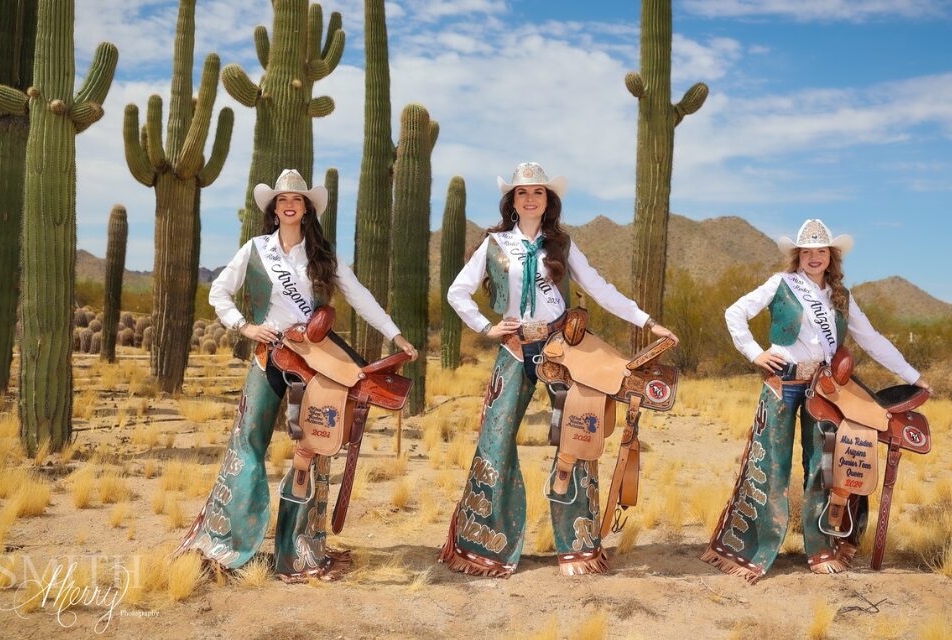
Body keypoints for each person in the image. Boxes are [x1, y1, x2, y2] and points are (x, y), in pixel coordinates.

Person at [175, 169, 417, 582]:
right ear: (274, 209)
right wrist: (245, 326)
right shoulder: (255, 249)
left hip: (316, 362)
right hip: (270, 356)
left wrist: (395, 334)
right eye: (282, 200)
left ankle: (299, 550)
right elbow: (219, 292)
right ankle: (227, 544)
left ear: (306, 209)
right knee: (247, 445)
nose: (289, 205)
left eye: (297, 199)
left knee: (312, 451)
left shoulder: (323, 256)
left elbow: (359, 297)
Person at [439, 162, 677, 577]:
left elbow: (600, 288)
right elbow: (457, 291)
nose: (530, 198)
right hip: (514, 347)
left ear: (548, 201)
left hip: (562, 350)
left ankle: (578, 547)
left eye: (538, 192)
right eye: (522, 192)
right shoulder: (493, 245)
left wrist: (646, 321)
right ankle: (485, 546)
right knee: (494, 440)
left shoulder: (561, 245)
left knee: (577, 437)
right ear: (511, 201)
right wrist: (487, 327)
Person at [702, 218, 931, 582]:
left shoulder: (841, 297)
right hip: (782, 381)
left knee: (823, 466)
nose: (813, 257)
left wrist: (913, 376)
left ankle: (821, 547)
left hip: (823, 389)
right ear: (797, 256)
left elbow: (871, 339)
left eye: (820, 251)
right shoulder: (781, 284)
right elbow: (735, 313)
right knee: (771, 465)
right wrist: (755, 353)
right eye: (806, 251)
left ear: (831, 256)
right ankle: (754, 548)